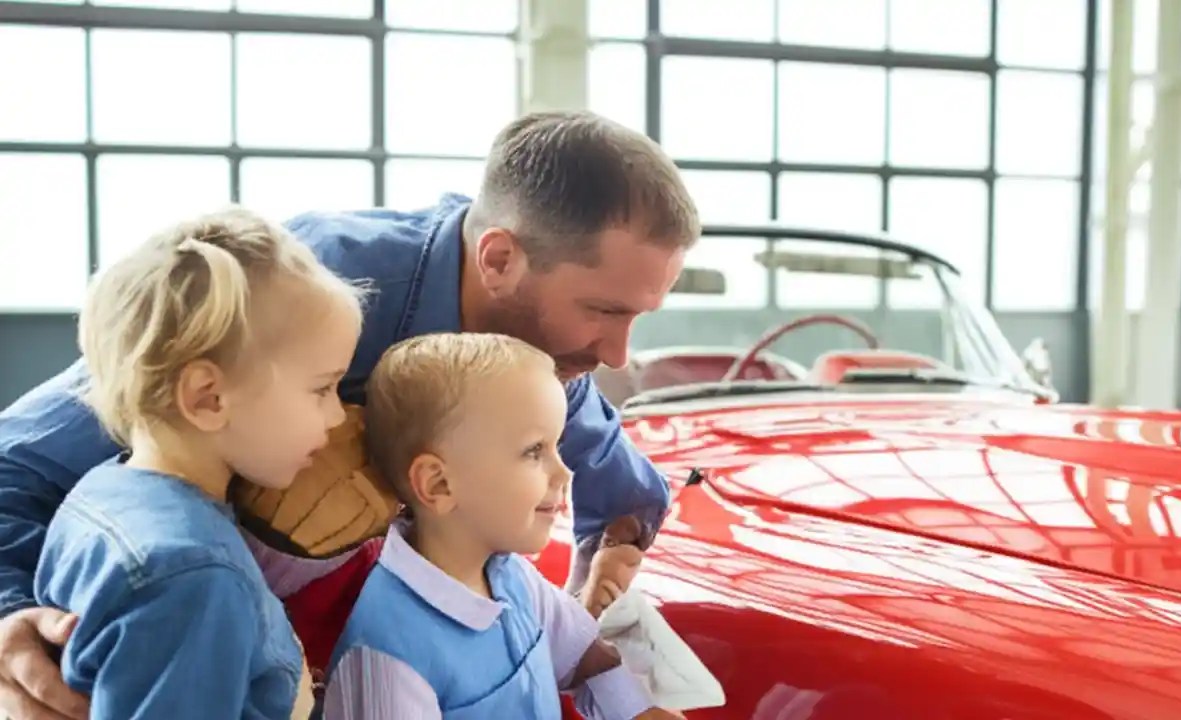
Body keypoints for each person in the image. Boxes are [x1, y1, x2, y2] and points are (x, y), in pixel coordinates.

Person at [0, 110, 700, 719]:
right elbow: (16, 465)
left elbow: (623, 490)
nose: (616, 353)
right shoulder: (295, 293)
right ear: (499, 258)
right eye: (604, 311)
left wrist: (603, 569)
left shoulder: (547, 350)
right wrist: (10, 621)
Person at [34, 207, 365, 718]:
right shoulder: (193, 577)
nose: (337, 415)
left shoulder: (103, 490)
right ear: (208, 397)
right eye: (322, 388)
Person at [323, 333, 677, 719]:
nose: (563, 472)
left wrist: (642, 711)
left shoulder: (511, 577)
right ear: (438, 484)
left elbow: (589, 658)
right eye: (533, 451)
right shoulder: (387, 652)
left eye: (557, 446)